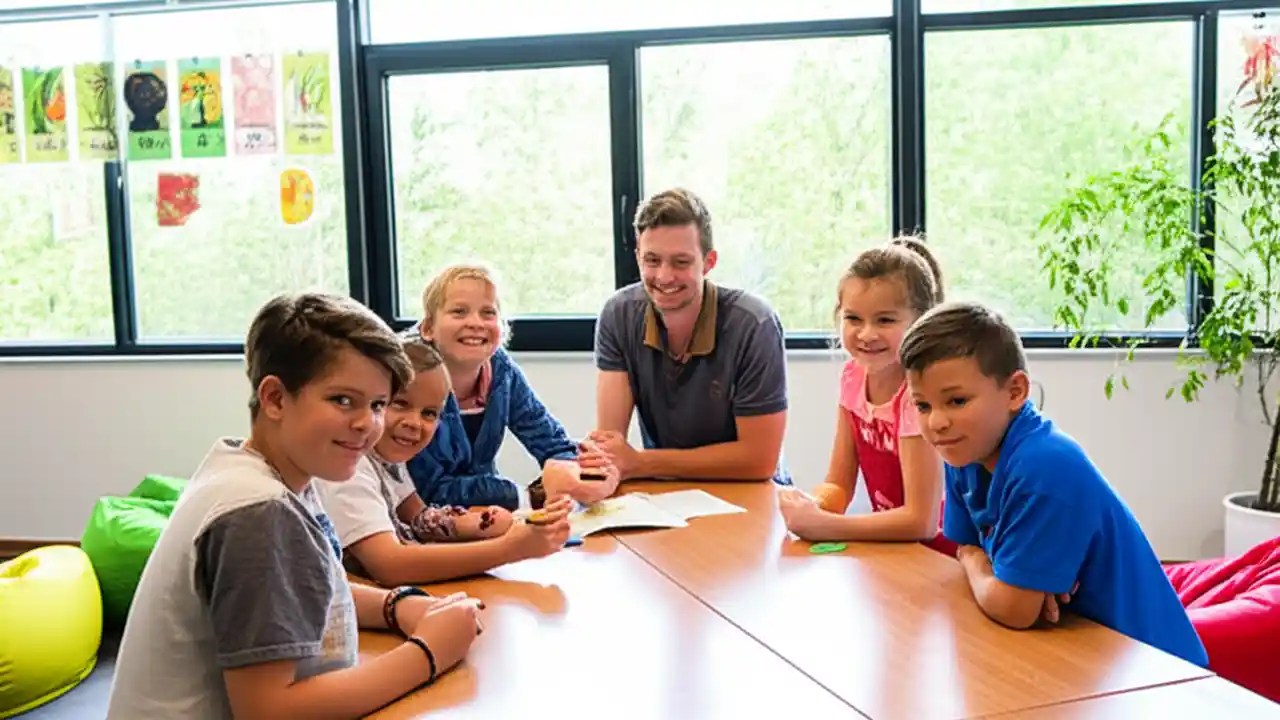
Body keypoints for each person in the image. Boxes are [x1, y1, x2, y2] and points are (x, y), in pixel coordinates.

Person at [107, 293, 485, 719]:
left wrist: (396, 606)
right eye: (344, 400)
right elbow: (270, 711)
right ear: (274, 399)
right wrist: (429, 651)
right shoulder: (257, 512)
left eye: (378, 404)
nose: (367, 423)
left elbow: (305, 587)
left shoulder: (262, 470)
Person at [900, 300, 1208, 666]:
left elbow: (1012, 606)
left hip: (1149, 668)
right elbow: (968, 548)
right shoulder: (964, 450)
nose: (936, 422)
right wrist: (992, 572)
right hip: (1069, 649)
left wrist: (980, 566)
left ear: (1015, 392)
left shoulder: (1045, 466)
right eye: (923, 406)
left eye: (957, 400)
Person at [314, 334, 575, 586]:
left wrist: (478, 523)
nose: (415, 423)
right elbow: (390, 565)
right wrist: (511, 548)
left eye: (429, 413)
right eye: (401, 404)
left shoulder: (386, 456)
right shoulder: (350, 468)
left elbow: (418, 516)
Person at [589, 187, 789, 486]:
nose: (665, 276)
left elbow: (759, 461)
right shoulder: (618, 315)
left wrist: (641, 462)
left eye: (681, 262)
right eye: (652, 260)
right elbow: (610, 446)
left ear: (709, 262)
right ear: (637, 257)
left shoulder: (753, 324)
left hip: (748, 490)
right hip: (664, 487)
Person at [777, 237, 955, 556]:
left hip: (944, 556)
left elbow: (921, 521)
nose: (867, 334)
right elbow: (838, 484)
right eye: (853, 318)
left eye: (885, 320)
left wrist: (825, 525)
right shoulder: (853, 376)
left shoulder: (919, 397)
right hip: (897, 552)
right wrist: (811, 506)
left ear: (920, 321)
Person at [406, 263, 618, 510]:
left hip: (485, 516)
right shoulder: (409, 375)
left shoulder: (502, 371)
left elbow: (553, 443)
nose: (476, 323)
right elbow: (430, 490)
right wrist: (530, 495)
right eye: (459, 312)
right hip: (416, 523)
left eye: (488, 313)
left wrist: (581, 470)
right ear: (428, 328)